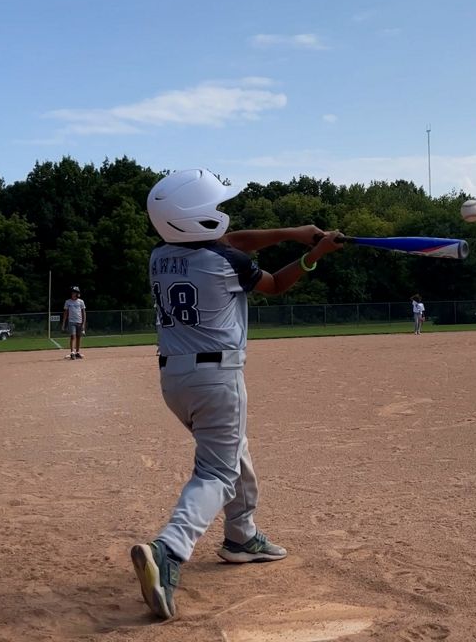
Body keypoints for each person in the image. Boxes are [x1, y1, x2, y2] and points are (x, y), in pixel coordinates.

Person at [130, 168, 344, 623]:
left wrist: (292, 233)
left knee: (231, 453)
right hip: (217, 378)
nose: (223, 215)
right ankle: (169, 550)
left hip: (175, 380)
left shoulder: (160, 255)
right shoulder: (227, 262)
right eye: (216, 208)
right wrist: (316, 254)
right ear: (199, 219)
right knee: (218, 471)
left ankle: (241, 537)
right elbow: (276, 284)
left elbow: (234, 241)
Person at [61, 286, 86, 359]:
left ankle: (77, 352)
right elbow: (65, 313)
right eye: (72, 292)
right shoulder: (68, 302)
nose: (73, 293)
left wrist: (83, 324)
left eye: (74, 292)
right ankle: (72, 352)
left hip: (79, 322)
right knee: (73, 336)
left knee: (78, 337)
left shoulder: (81, 301)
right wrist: (63, 324)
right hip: (71, 322)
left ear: (77, 293)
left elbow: (83, 313)